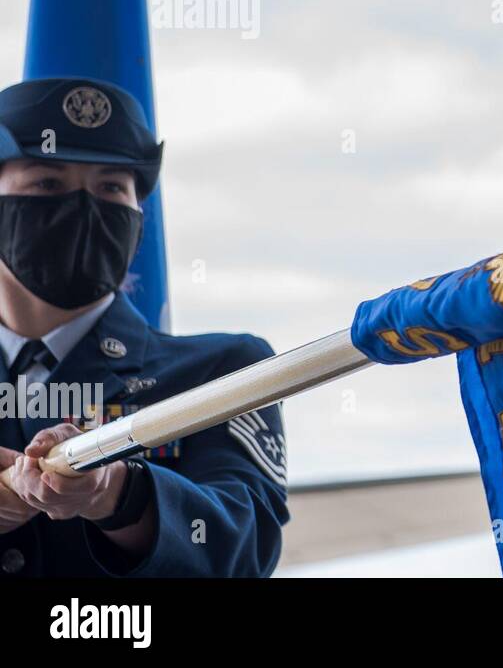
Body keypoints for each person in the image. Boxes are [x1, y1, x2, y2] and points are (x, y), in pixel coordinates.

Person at [0, 77, 288, 576]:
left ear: (138, 216)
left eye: (111, 187)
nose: (85, 208)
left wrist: (116, 492)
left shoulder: (224, 372)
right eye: (48, 183)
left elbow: (244, 550)